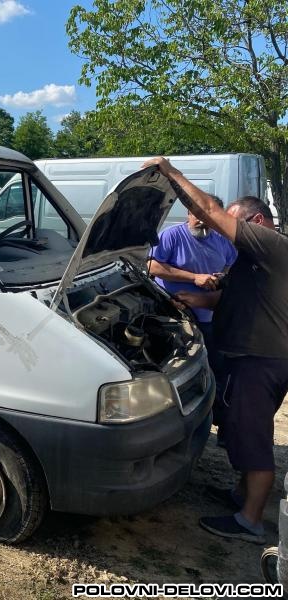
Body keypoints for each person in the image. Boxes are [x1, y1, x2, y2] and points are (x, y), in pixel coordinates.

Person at [144, 156, 288, 545]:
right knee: (242, 429)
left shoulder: (271, 246)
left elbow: (207, 208)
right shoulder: (256, 261)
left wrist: (169, 171)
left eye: (233, 221)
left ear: (255, 223)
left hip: (259, 362)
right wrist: (192, 299)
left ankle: (250, 521)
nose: (223, 227)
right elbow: (231, 300)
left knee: (253, 438)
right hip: (255, 358)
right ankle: (241, 496)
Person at [147, 199, 237, 428]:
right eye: (194, 214)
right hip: (176, 317)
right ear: (187, 213)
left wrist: (220, 278)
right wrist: (193, 277)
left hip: (210, 317)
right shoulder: (172, 235)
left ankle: (219, 422)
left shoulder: (222, 240)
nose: (199, 219)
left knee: (216, 368)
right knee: (178, 370)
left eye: (205, 215)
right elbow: (152, 266)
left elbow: (230, 267)